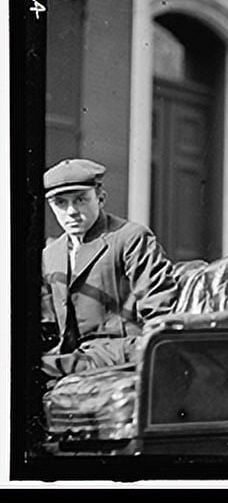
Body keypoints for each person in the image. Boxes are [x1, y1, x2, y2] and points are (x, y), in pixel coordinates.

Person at [41, 159, 178, 376]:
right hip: (73, 356)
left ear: (100, 198)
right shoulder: (51, 254)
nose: (71, 211)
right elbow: (47, 325)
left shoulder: (129, 238)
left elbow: (159, 308)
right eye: (60, 203)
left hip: (122, 352)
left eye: (81, 200)